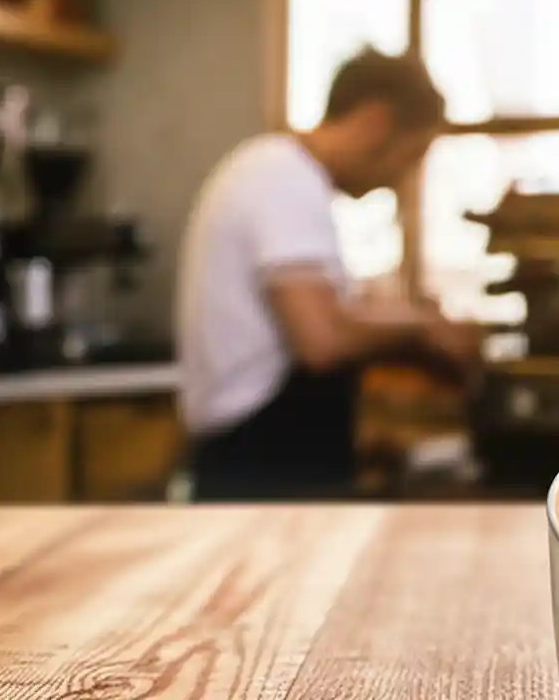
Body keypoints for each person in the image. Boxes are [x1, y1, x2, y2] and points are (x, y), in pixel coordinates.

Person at [177, 49, 480, 500]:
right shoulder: (282, 176)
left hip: (258, 457)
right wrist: (423, 327)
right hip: (258, 466)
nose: (402, 177)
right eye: (411, 154)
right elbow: (321, 339)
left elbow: (327, 310)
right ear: (377, 122)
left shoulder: (277, 171)